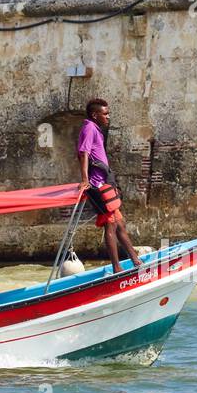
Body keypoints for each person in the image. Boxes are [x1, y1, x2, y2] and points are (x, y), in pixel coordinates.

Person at [77, 99, 143, 271]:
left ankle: (136, 261)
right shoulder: (89, 128)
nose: (108, 117)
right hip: (97, 184)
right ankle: (116, 268)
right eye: (105, 114)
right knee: (111, 224)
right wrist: (85, 179)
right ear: (94, 115)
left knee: (120, 223)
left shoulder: (95, 129)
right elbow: (83, 153)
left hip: (104, 182)